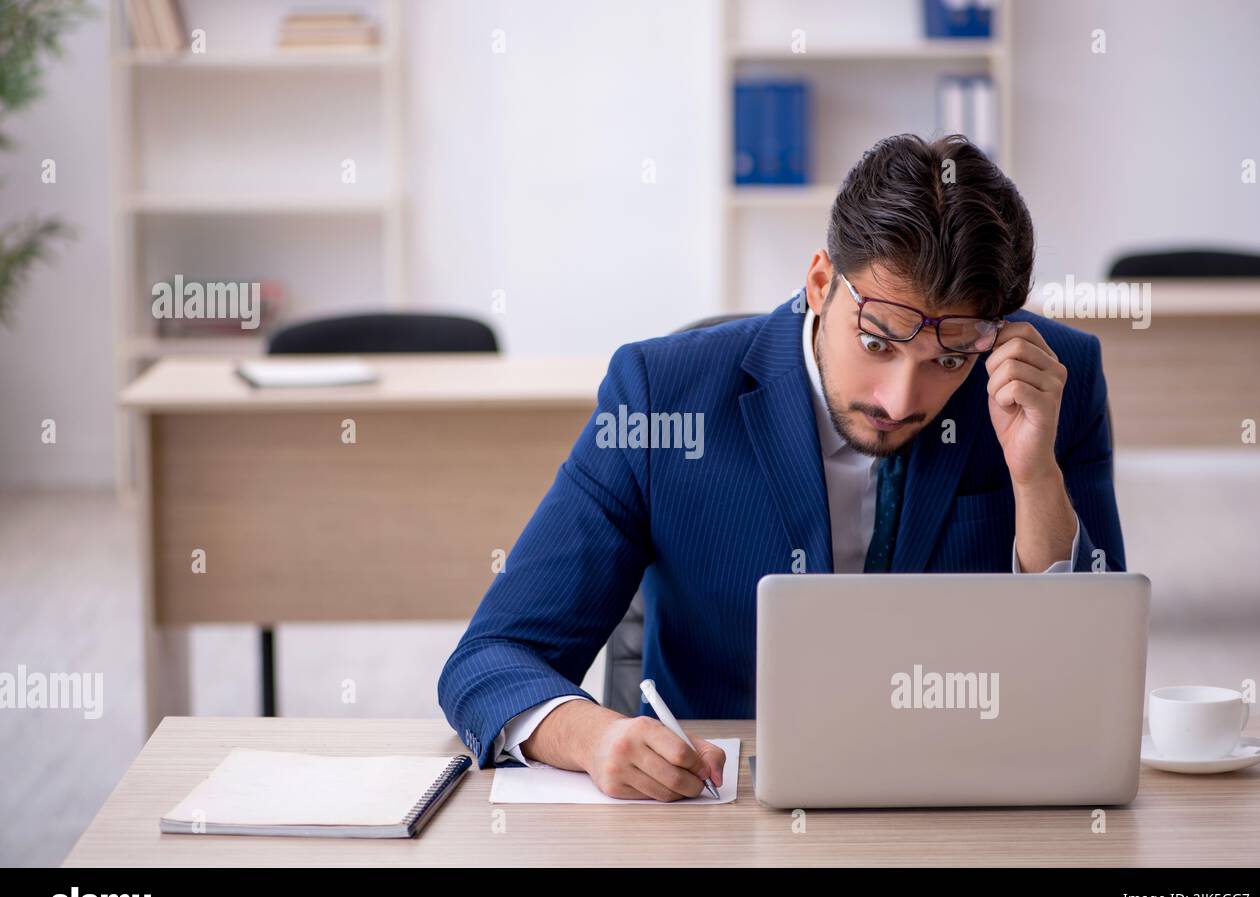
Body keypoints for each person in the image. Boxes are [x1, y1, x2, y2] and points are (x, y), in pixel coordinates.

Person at [437, 133, 1123, 802]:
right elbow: (489, 658)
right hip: (723, 814)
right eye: (877, 341)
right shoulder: (659, 396)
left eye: (948, 360)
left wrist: (1035, 478)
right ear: (821, 282)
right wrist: (589, 735)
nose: (899, 398)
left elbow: (1095, 685)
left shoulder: (1052, 382)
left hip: (970, 802)